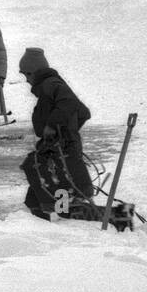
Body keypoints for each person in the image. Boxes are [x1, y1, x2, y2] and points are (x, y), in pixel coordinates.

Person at [19, 47, 94, 219]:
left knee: (43, 179)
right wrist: (66, 129)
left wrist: (54, 126)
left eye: (26, 75)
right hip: (58, 147)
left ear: (34, 72)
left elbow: (71, 104)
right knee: (36, 193)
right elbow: (83, 112)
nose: (26, 80)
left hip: (62, 150)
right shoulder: (49, 86)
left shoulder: (50, 84)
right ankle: (46, 220)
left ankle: (63, 224)